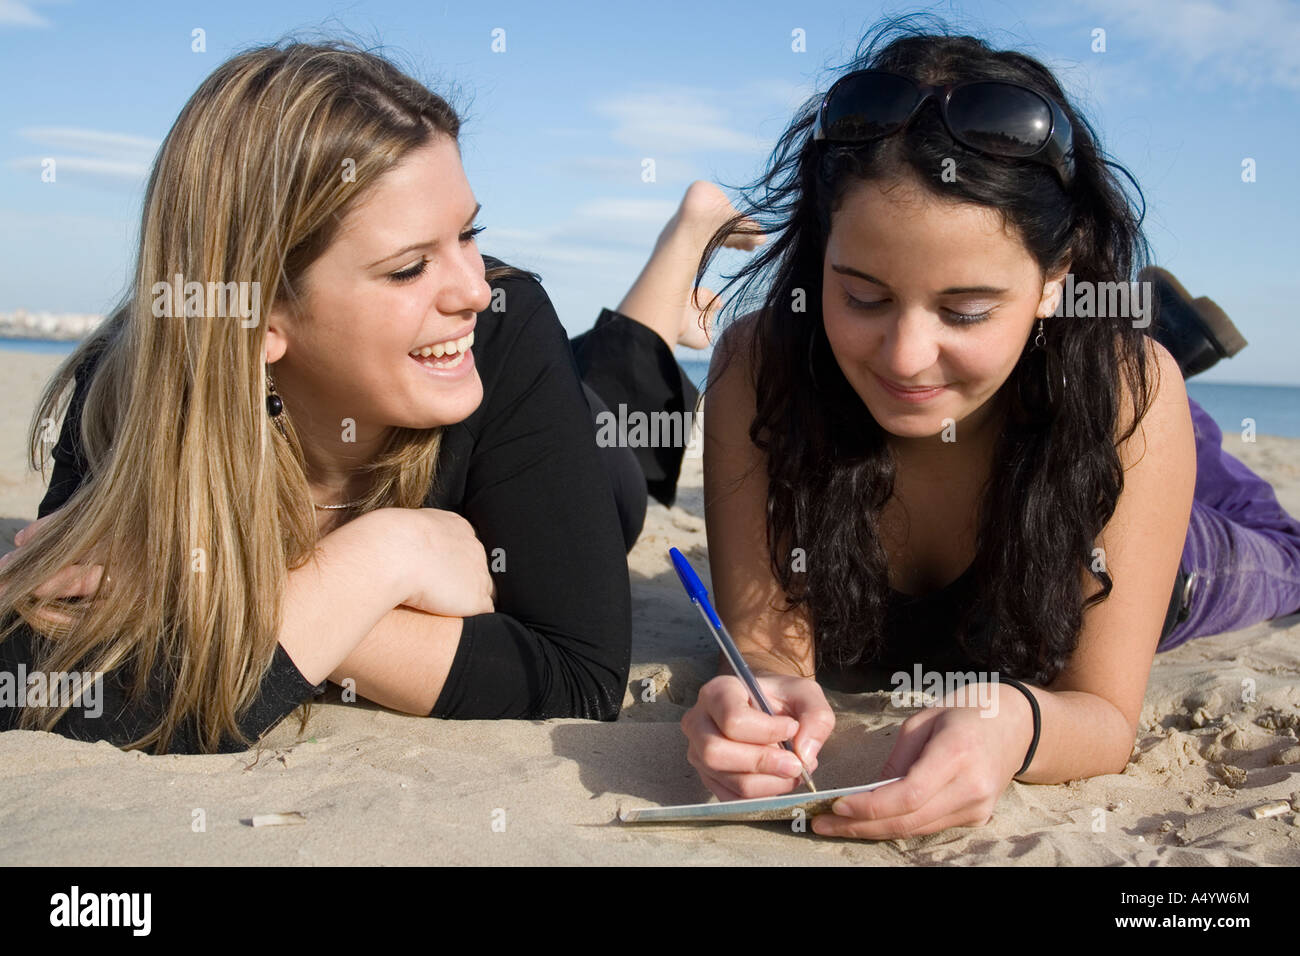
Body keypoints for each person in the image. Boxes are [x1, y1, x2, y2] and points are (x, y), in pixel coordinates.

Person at [0, 41, 739, 755]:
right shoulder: (134, 385)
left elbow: (580, 678)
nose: (474, 287)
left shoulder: (504, 324)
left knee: (617, 436)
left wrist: (203, 603)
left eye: (469, 233)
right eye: (409, 267)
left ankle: (677, 257)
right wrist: (381, 559)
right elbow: (45, 678)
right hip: (471, 388)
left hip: (557, 422)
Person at [678, 17, 1300, 840]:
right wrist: (753, 699)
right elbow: (769, 656)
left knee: (1279, 548)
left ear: (1053, 280)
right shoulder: (763, 366)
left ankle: (1169, 382)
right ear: (821, 250)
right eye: (862, 295)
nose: (905, 355)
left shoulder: (1127, 394)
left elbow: (1105, 716)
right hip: (1058, 378)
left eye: (963, 309)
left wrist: (1014, 725)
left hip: (1114, 468)